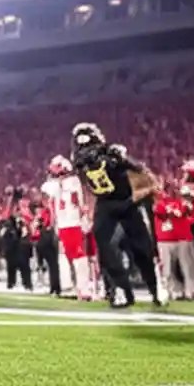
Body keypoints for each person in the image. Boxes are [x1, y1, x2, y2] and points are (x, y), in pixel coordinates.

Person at [70, 122, 162, 308]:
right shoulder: (80, 161)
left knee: (141, 249)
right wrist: (87, 209)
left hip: (127, 202)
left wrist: (121, 159)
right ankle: (120, 288)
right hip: (105, 204)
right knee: (104, 246)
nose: (86, 151)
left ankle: (154, 287)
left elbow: (139, 169)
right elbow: (86, 183)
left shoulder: (112, 153)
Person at [42, 155, 93, 300]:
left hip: (72, 221)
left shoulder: (71, 182)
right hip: (64, 223)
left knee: (78, 255)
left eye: (56, 167)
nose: (52, 170)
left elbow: (52, 191)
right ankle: (71, 286)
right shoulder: (62, 182)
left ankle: (83, 287)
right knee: (66, 255)